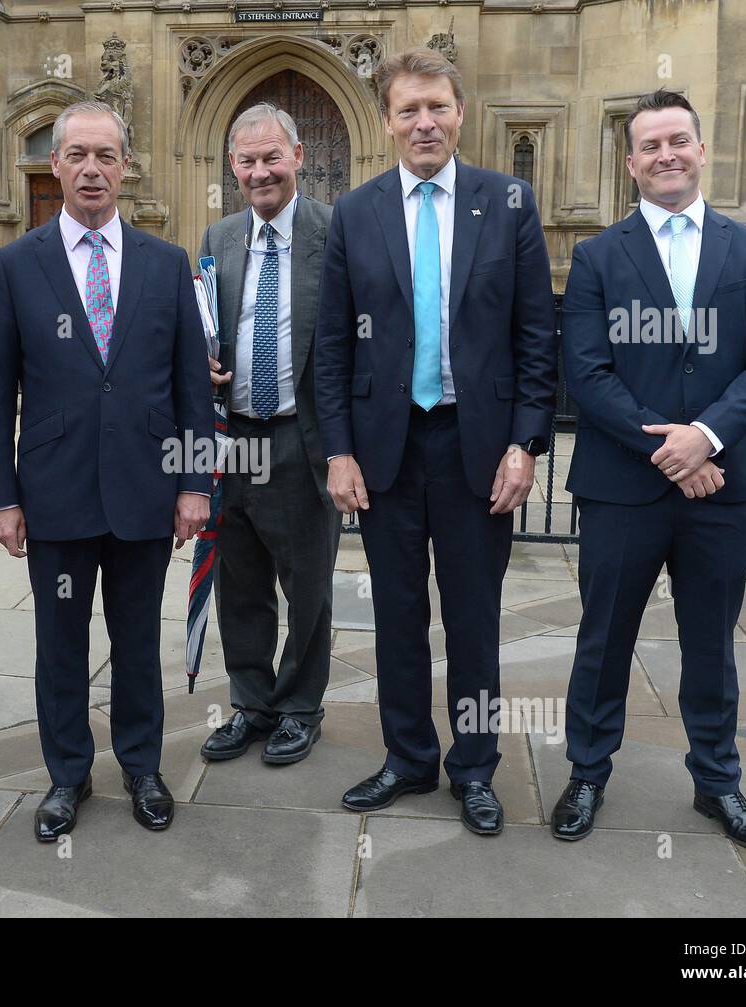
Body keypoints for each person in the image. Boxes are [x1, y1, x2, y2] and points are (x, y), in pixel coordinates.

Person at [314, 48, 556, 835]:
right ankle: (408, 756)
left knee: (475, 617)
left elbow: (535, 337)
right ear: (386, 122)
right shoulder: (357, 210)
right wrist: (338, 450)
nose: (424, 122)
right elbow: (331, 346)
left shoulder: (509, 200)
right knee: (395, 614)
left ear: (460, 114)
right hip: (387, 450)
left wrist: (526, 442)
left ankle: (475, 767)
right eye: (409, 109)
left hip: (476, 448)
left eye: (438, 107)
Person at [553, 89, 746, 851]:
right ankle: (587, 772)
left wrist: (708, 437)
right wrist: (674, 450)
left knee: (710, 642)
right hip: (624, 485)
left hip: (723, 486)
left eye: (678, 141)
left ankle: (718, 780)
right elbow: (587, 373)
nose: (666, 154)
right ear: (630, 163)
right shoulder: (595, 256)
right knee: (604, 639)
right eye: (651, 144)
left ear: (699, 149)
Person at [0, 101, 214, 841]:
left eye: (105, 155)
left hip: (147, 489)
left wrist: (196, 483)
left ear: (125, 166)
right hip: (55, 492)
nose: (91, 169)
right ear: (57, 164)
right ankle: (67, 775)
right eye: (77, 154)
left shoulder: (166, 263)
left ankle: (142, 767)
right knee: (61, 643)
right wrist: (0, 496)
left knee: (140, 640)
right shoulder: (16, 266)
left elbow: (191, 389)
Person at [197, 103, 341, 766]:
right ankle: (251, 702)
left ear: (298, 157)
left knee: (307, 583)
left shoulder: (333, 232)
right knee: (239, 579)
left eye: (271, 158)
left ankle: (299, 707)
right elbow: (203, 325)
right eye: (248, 161)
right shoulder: (220, 237)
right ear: (233, 167)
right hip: (236, 437)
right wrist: (206, 363)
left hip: (301, 437)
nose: (260, 172)